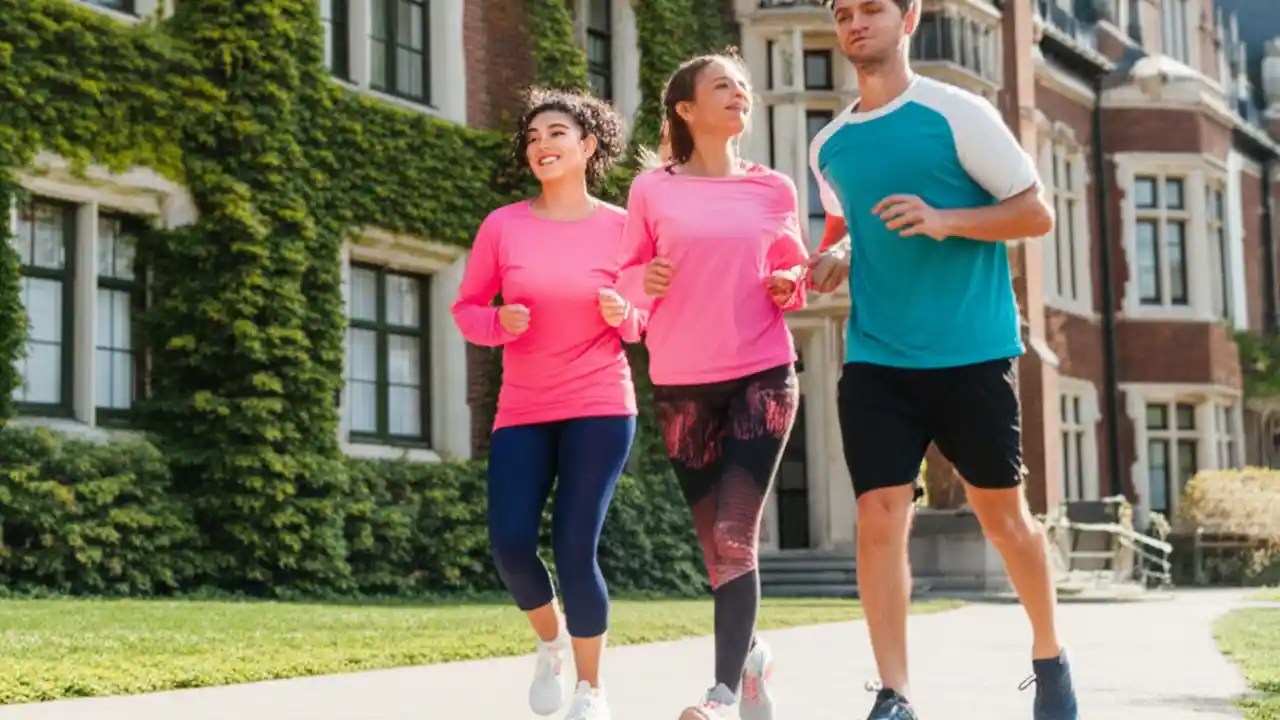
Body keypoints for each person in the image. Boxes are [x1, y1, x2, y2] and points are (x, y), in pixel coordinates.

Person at [804, 1, 1075, 718]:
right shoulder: (829, 145)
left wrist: (945, 219)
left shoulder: (957, 114)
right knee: (878, 514)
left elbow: (1036, 212)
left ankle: (1050, 655)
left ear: (909, 17)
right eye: (843, 13)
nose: (855, 23)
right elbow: (853, 225)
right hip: (877, 358)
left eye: (872, 8)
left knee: (1004, 519)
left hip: (971, 353)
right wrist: (838, 255)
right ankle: (895, 694)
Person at [620, 51, 809, 720]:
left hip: (763, 374)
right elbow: (626, 277)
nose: (739, 94)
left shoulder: (775, 189)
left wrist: (789, 284)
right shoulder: (652, 190)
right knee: (716, 550)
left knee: (734, 536)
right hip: (682, 384)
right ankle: (751, 659)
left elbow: (794, 269)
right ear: (686, 108)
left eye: (743, 87)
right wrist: (643, 281)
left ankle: (722, 696)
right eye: (723, 86)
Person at [450, 87, 640, 720]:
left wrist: (624, 313)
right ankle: (552, 641)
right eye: (532, 138)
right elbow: (466, 309)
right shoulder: (502, 226)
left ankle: (591, 688)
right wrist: (497, 321)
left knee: (575, 547)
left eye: (556, 133)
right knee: (509, 544)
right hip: (524, 408)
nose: (541, 146)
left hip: (600, 403)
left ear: (587, 146)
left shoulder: (622, 227)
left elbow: (644, 319)